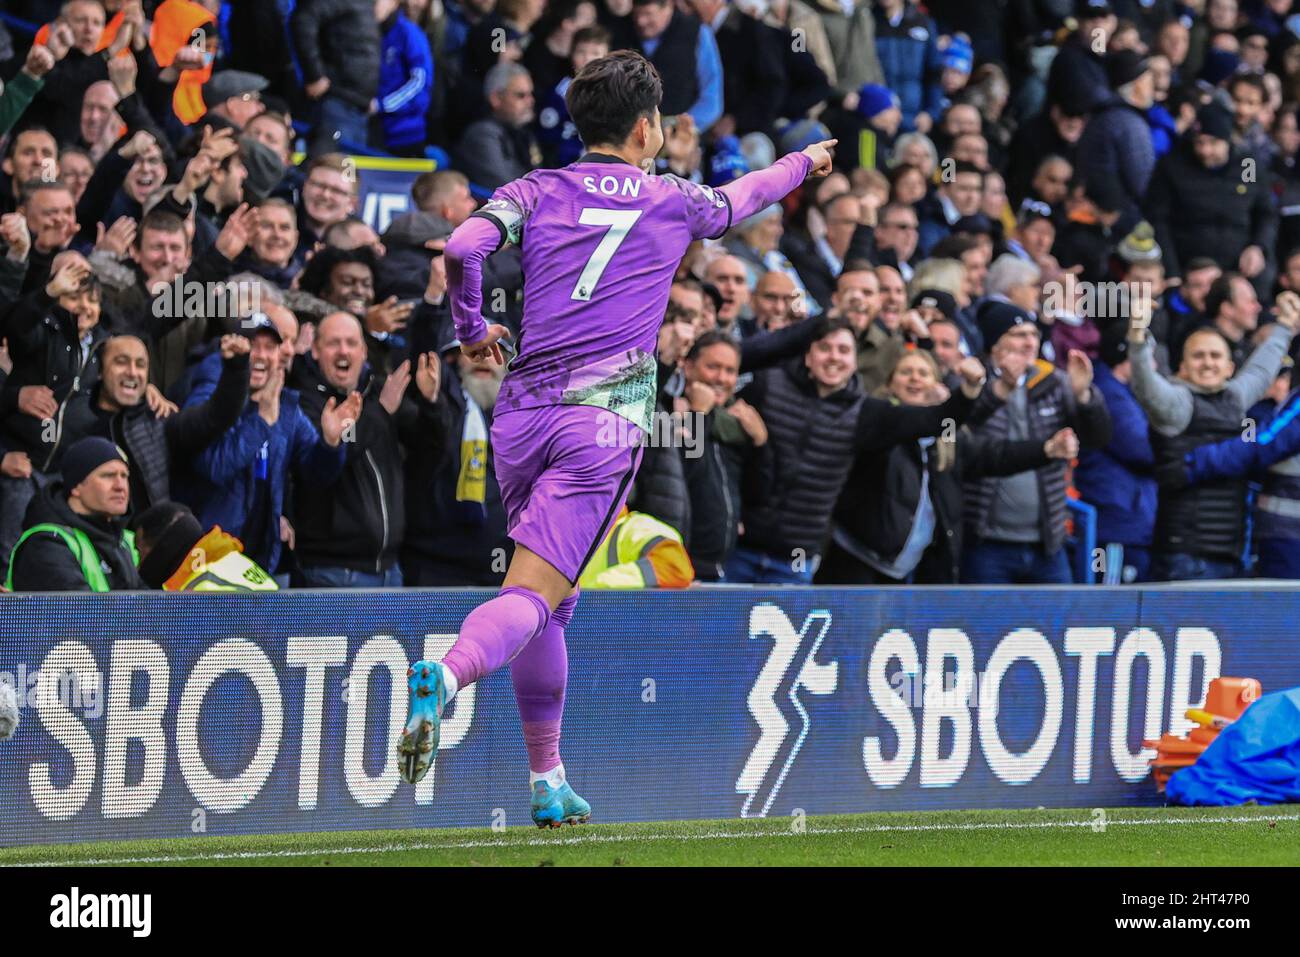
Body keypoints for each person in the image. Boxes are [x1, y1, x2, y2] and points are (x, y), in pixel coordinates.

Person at [396, 51, 836, 830]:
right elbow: (747, 196)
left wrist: (470, 327)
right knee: (531, 593)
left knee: (553, 604)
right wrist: (805, 160)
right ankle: (447, 672)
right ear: (646, 128)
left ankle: (547, 778)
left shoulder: (535, 187)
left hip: (523, 412)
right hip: (602, 424)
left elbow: (462, 248)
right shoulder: (672, 198)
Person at [819, 348, 1078, 584]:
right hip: (856, 563)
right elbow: (923, 421)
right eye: (905, 372)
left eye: (924, 373)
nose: (915, 379)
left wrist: (1046, 449)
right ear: (889, 383)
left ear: (935, 383)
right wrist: (959, 398)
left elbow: (993, 454)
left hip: (913, 570)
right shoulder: (877, 422)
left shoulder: (946, 439)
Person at [1127, 292, 1300, 580]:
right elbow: (1145, 386)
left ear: (1230, 367)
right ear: (1182, 368)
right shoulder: (1175, 403)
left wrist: (1284, 326)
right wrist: (1137, 339)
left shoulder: (1233, 398)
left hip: (1229, 554)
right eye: (1198, 356)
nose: (1208, 363)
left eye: (1216, 355)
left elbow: (1261, 368)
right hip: (1182, 555)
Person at [961, 303, 1114, 584]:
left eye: (1033, 333)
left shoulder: (1054, 382)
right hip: (986, 544)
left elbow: (1098, 438)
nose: (1030, 341)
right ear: (995, 342)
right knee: (984, 627)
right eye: (1018, 334)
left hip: (1047, 545)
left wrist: (1084, 397)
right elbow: (964, 434)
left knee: (1059, 625)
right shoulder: (973, 380)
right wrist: (1001, 389)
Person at [5, 436, 142, 592]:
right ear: (76, 486)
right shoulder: (47, 543)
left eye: (124, 476)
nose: (120, 486)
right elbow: (79, 614)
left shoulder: (126, 541)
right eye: (108, 475)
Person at [130, 500, 276, 591]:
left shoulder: (199, 590)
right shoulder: (235, 562)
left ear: (162, 549)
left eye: (139, 551)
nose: (139, 566)